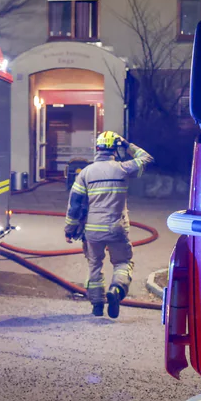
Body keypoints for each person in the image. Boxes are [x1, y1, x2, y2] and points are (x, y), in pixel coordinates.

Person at [63, 131, 154, 318]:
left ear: (97, 148)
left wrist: (70, 230)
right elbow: (146, 158)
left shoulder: (86, 173)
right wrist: (128, 146)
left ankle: (97, 305)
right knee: (122, 262)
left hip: (92, 231)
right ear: (115, 149)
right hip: (116, 229)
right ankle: (116, 290)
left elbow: (74, 205)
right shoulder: (123, 168)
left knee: (94, 265)